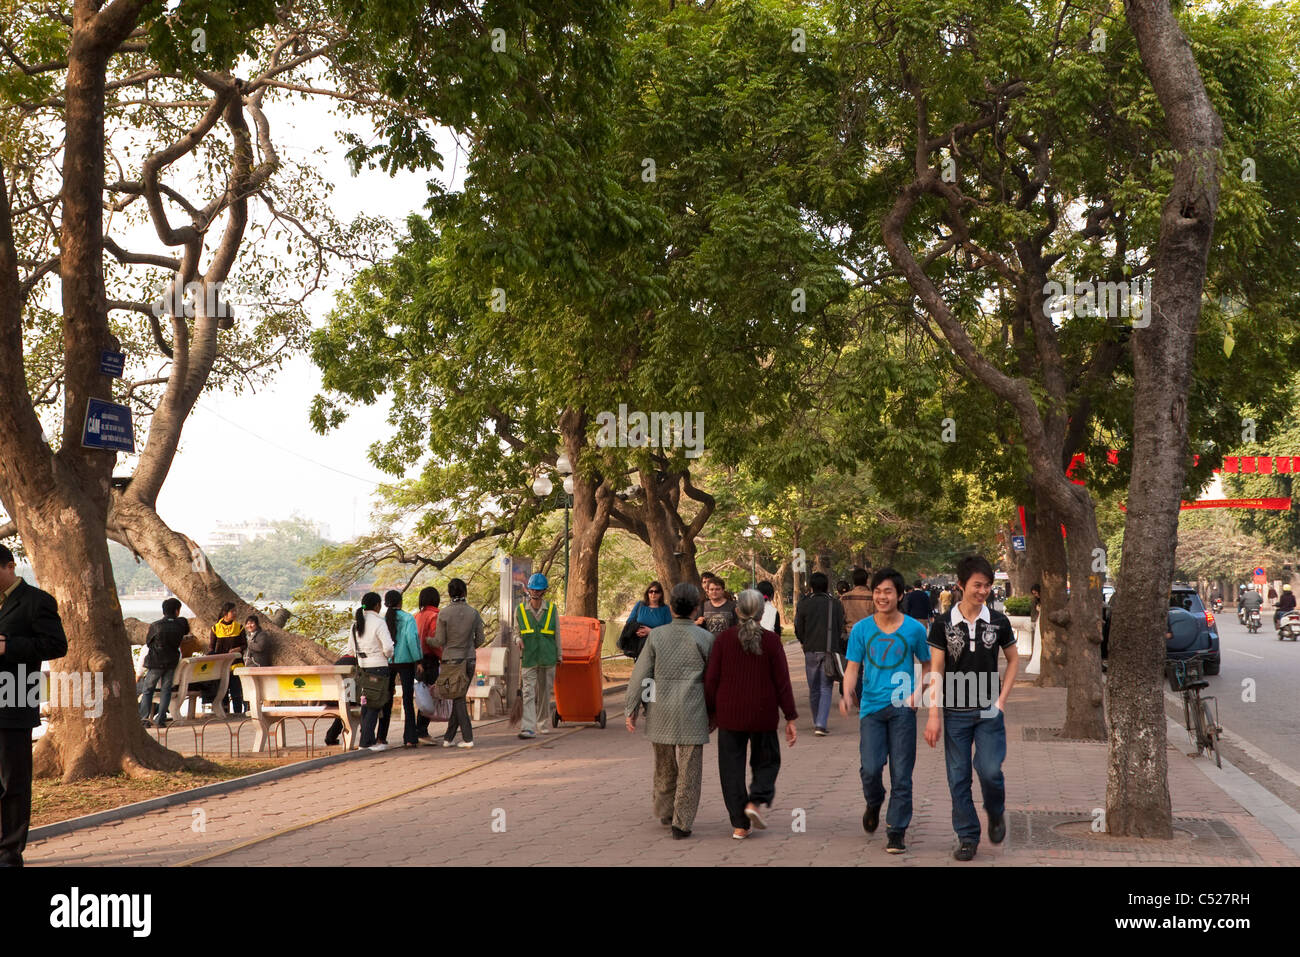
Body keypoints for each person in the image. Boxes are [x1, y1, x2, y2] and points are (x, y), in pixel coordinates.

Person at [924, 554, 1019, 862]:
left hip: (990, 712)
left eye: (987, 586)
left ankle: (995, 811)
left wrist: (1002, 699)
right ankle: (967, 836)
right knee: (958, 777)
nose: (983, 591)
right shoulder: (942, 624)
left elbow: (1014, 659)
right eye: (977, 585)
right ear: (961, 585)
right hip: (954, 714)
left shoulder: (998, 621)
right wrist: (933, 715)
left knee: (990, 771)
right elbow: (936, 670)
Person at [840, 568, 936, 854]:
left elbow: (929, 665)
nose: (882, 596)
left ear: (900, 594)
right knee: (870, 768)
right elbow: (852, 668)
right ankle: (874, 800)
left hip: (902, 709)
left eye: (888, 591)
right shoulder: (862, 629)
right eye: (878, 591)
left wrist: (917, 694)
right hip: (870, 708)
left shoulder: (914, 629)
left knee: (902, 773)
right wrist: (846, 693)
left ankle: (896, 830)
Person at [704, 589, 797, 840]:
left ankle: (739, 824)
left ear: (736, 611)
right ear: (762, 612)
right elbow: (782, 682)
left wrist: (711, 711)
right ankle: (755, 802)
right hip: (763, 714)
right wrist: (790, 716)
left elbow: (711, 680)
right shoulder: (771, 641)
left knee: (730, 768)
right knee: (767, 761)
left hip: (730, 715)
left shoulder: (722, 640)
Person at [625, 582, 715, 839]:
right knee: (690, 769)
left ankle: (665, 810)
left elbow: (642, 673)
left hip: (660, 710)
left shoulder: (657, 635)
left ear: (672, 607)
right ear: (695, 607)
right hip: (693, 711)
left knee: (664, 765)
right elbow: (714, 679)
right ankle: (682, 822)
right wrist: (715, 713)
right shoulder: (706, 638)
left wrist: (631, 706)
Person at [0, 544, 68, 866]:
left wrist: (9, 646)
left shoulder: (37, 602)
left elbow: (56, 645)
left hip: (14, 701)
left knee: (13, 782)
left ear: (9, 566)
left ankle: (10, 852)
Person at [433, 578, 484, 748]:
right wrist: (470, 647)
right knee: (458, 696)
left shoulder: (444, 614)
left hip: (451, 660)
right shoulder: (473, 613)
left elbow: (440, 640)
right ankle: (448, 738)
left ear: (449, 593)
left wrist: (427, 640)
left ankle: (468, 738)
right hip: (469, 660)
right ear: (464, 592)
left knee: (458, 697)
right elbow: (480, 639)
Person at [793, 571, 845, 736]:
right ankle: (821, 723)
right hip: (829, 649)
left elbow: (798, 627)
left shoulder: (804, 604)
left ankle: (817, 720)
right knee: (825, 686)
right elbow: (839, 627)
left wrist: (803, 641)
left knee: (813, 687)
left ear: (811, 586)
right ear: (827, 585)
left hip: (810, 650)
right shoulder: (835, 604)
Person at [515, 572, 560, 740]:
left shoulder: (552, 610)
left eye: (539, 590)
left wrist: (559, 656)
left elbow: (557, 635)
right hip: (529, 657)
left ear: (544, 591)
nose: (535, 592)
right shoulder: (519, 610)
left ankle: (542, 722)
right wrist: (517, 639)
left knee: (544, 693)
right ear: (529, 590)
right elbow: (515, 631)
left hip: (548, 657)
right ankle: (528, 726)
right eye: (533, 589)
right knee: (528, 692)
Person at [348, 592, 394, 750]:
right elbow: (388, 647)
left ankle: (367, 739)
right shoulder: (379, 623)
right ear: (377, 606)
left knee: (366, 704)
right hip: (379, 667)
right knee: (375, 704)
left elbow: (351, 648)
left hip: (363, 668)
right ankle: (366, 742)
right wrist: (387, 655)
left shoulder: (356, 624)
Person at [378, 590, 422, 749]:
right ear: (400, 602)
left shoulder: (383, 620)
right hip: (406, 662)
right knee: (407, 700)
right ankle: (410, 738)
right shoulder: (408, 618)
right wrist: (418, 659)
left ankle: (381, 737)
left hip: (388, 662)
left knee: (386, 699)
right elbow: (412, 640)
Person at [139, 598, 190, 726]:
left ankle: (144, 719)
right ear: (177, 611)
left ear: (164, 610)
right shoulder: (180, 626)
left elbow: (149, 642)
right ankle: (161, 719)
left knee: (148, 690)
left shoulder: (156, 625)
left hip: (156, 662)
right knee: (166, 690)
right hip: (171, 661)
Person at [207, 602, 248, 715]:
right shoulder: (215, 628)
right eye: (232, 611)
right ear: (225, 613)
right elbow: (211, 647)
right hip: (221, 665)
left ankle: (238, 714)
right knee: (223, 691)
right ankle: (225, 713)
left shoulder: (239, 627)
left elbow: (245, 645)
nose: (235, 613)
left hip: (236, 664)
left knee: (236, 691)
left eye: (235, 611)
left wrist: (236, 649)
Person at [619, 581, 672, 660]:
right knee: (640, 668)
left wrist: (651, 631)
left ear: (661, 594)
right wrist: (638, 630)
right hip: (638, 644)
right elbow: (630, 621)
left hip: (657, 645)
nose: (653, 594)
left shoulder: (665, 609)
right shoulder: (640, 605)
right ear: (647, 593)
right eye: (651, 591)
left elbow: (669, 629)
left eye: (656, 591)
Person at [414, 586, 441, 739]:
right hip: (430, 659)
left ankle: (418, 730)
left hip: (417, 660)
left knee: (421, 694)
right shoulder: (435, 616)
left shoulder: (416, 616)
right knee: (429, 695)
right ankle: (422, 730)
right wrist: (443, 657)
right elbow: (434, 641)